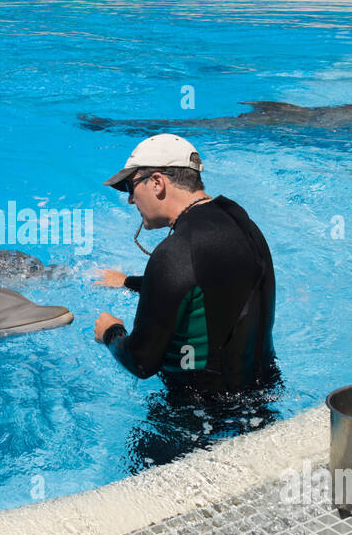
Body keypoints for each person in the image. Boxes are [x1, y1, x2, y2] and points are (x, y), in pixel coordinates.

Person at [93, 134, 278, 395]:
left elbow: (141, 362)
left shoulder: (175, 251)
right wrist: (127, 281)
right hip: (262, 395)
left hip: (198, 417)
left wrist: (111, 332)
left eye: (131, 187)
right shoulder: (240, 220)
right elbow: (209, 286)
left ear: (157, 182)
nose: (131, 200)